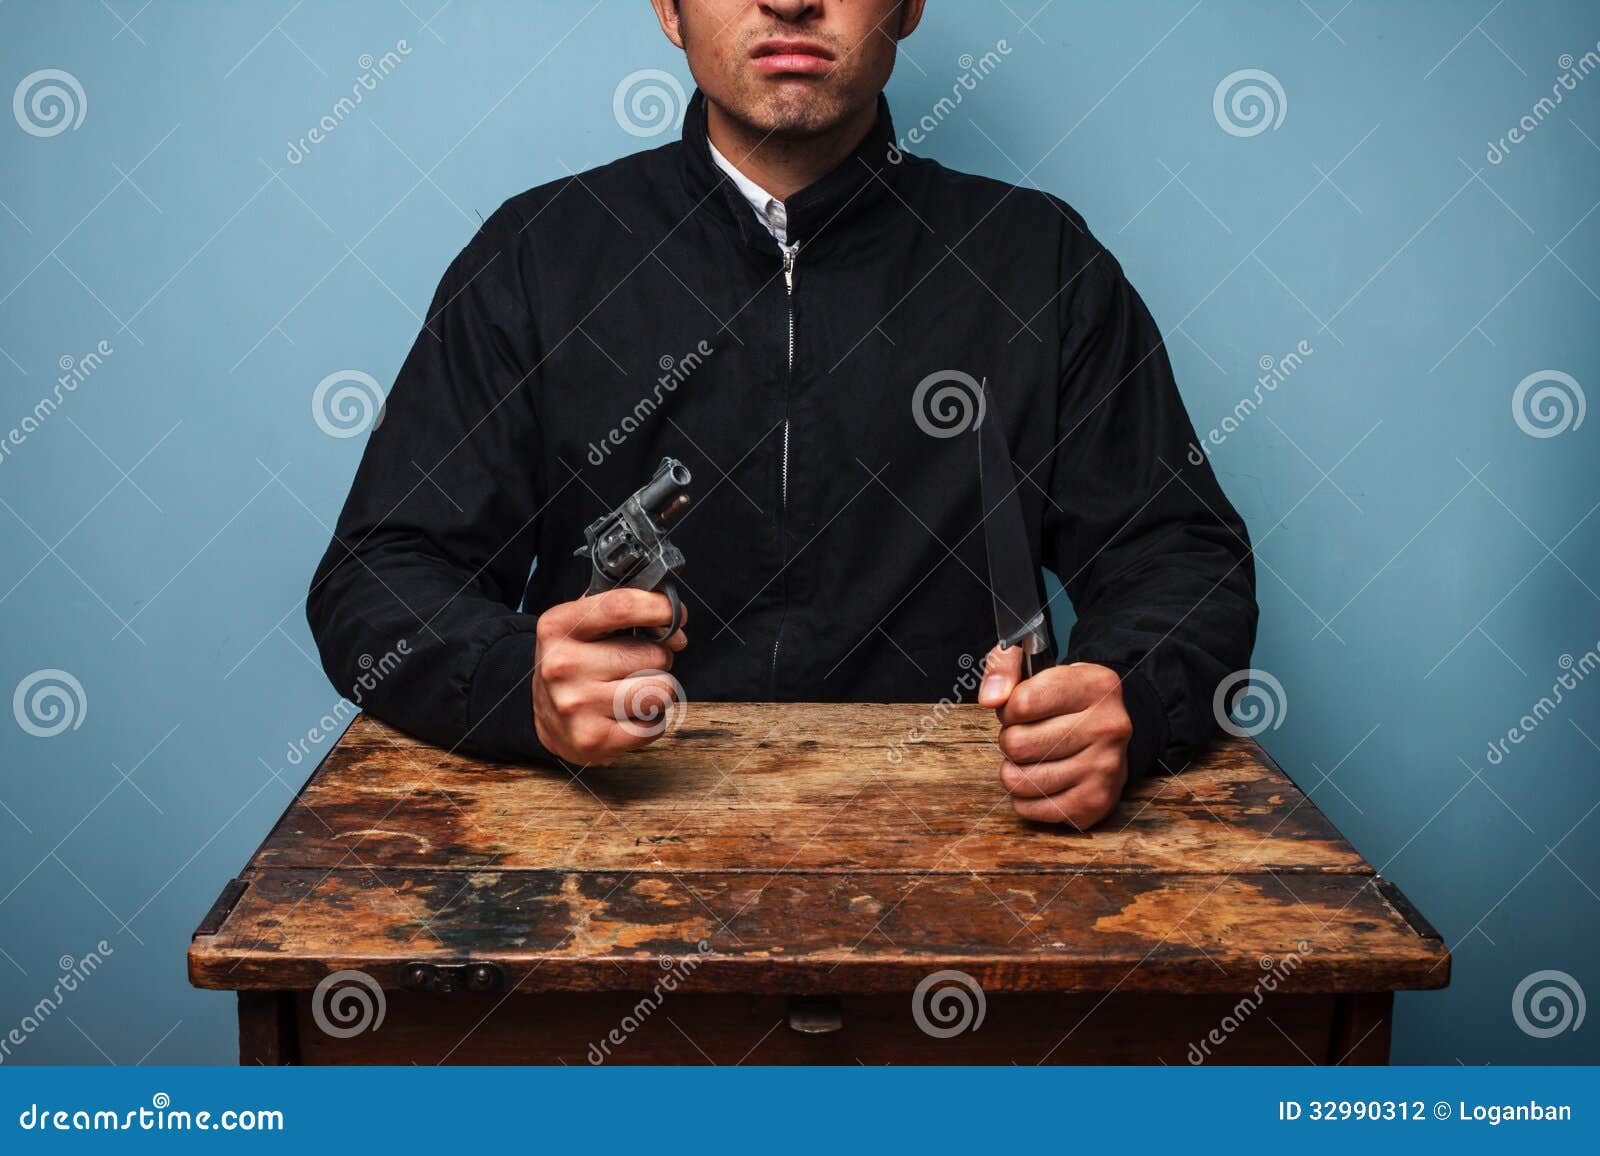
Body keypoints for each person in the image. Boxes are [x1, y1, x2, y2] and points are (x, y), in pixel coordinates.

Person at [307, 0, 1258, 830]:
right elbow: (377, 576)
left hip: (962, 860)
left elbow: (1178, 556)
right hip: (594, 871)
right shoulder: (535, 257)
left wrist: (1123, 703)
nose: (791, 0)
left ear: (911, 3)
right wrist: (523, 686)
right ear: (667, 8)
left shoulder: (1040, 263)